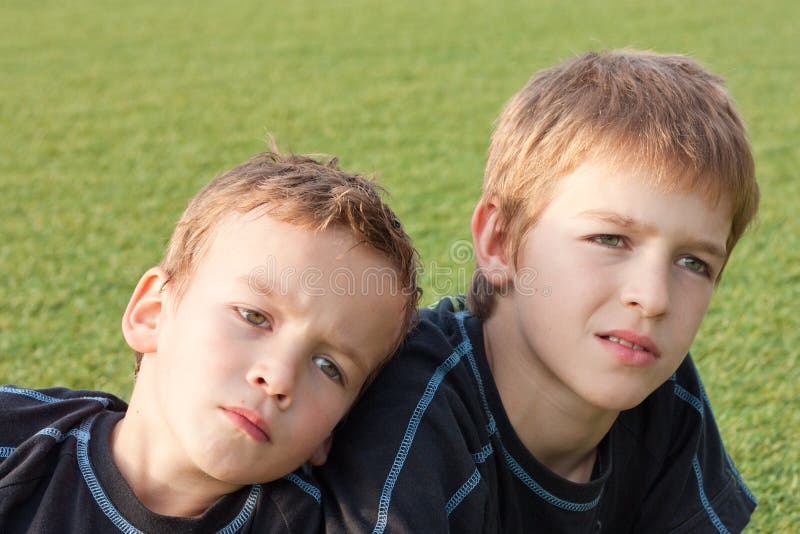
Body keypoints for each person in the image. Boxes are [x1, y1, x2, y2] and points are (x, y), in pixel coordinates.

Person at [315, 50, 759, 533]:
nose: (653, 299)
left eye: (694, 262)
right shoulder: (416, 409)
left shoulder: (663, 391)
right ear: (500, 241)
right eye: (609, 239)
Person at [0, 149, 420, 532]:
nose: (278, 378)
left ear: (334, 430)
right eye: (255, 316)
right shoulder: (17, 442)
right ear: (152, 313)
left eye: (329, 367)